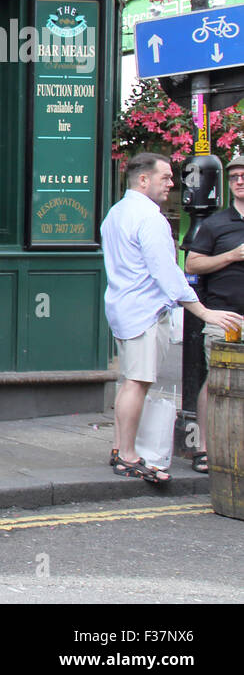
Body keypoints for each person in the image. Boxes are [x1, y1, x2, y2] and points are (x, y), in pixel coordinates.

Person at [102, 153, 241, 483]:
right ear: (144, 180)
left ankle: (119, 448)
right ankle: (128, 455)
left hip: (123, 307)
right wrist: (203, 311)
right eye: (165, 177)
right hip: (143, 312)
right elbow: (168, 273)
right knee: (138, 382)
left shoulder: (116, 213)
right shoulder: (150, 218)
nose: (171, 184)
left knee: (130, 381)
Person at [184, 154, 244, 474]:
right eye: (234, 176)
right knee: (217, 382)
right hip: (225, 316)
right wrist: (232, 255)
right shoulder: (216, 224)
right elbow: (192, 265)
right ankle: (204, 448)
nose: (239, 180)